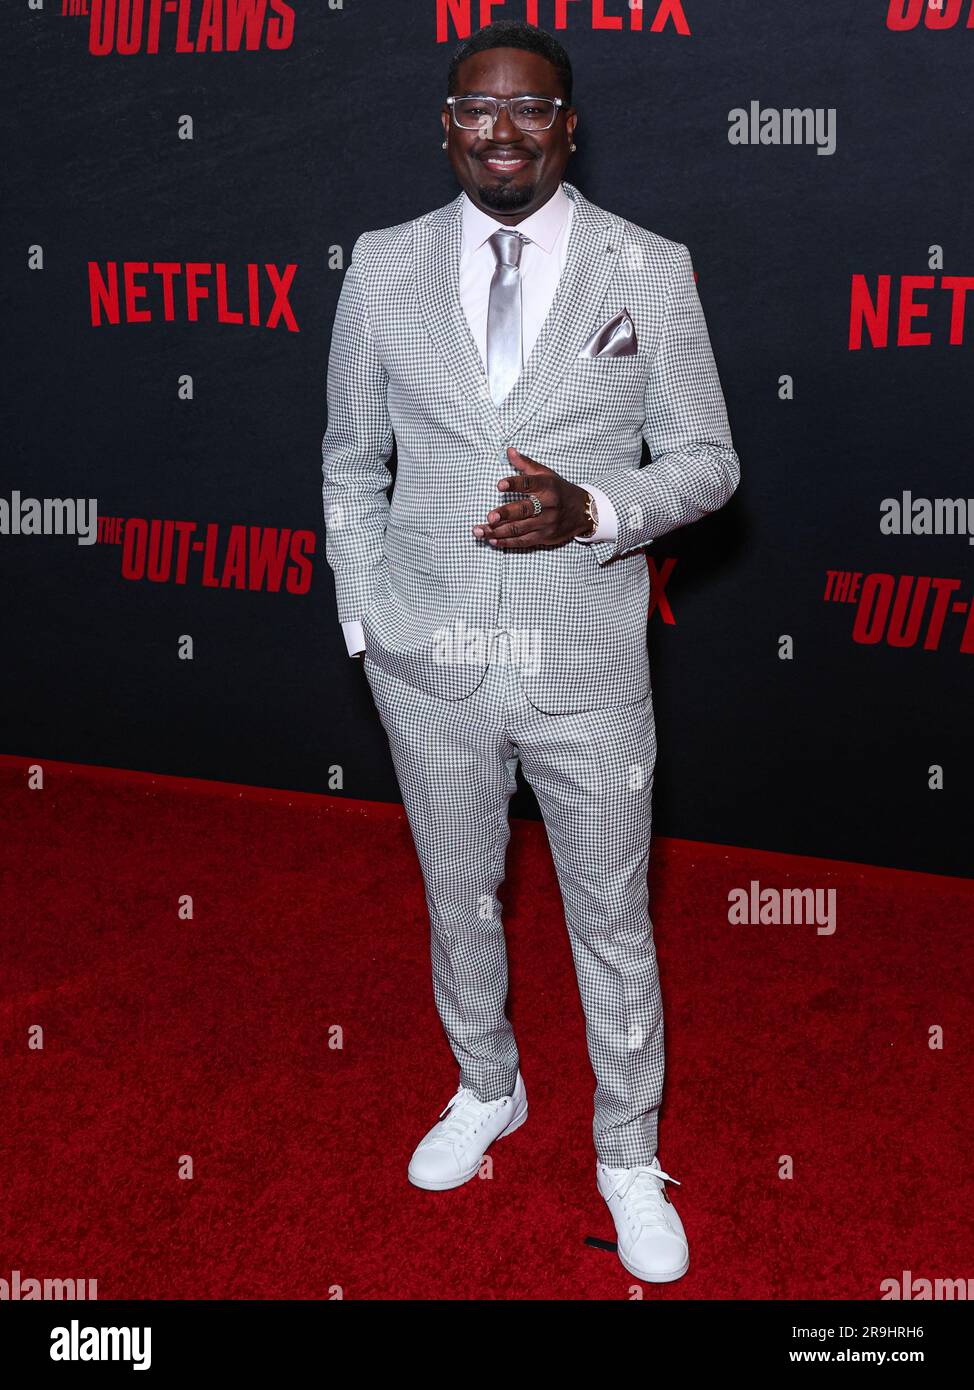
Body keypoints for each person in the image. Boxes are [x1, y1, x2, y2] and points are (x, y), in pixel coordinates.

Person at [321, 19, 740, 1284]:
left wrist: (599, 511)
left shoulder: (647, 267)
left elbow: (711, 462)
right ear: (444, 127)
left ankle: (625, 1152)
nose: (499, 131)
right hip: (423, 661)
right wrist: (362, 617)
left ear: (567, 124)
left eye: (528, 110)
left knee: (610, 916)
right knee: (459, 897)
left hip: (584, 664)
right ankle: (485, 1085)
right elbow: (351, 460)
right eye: (473, 110)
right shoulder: (384, 266)